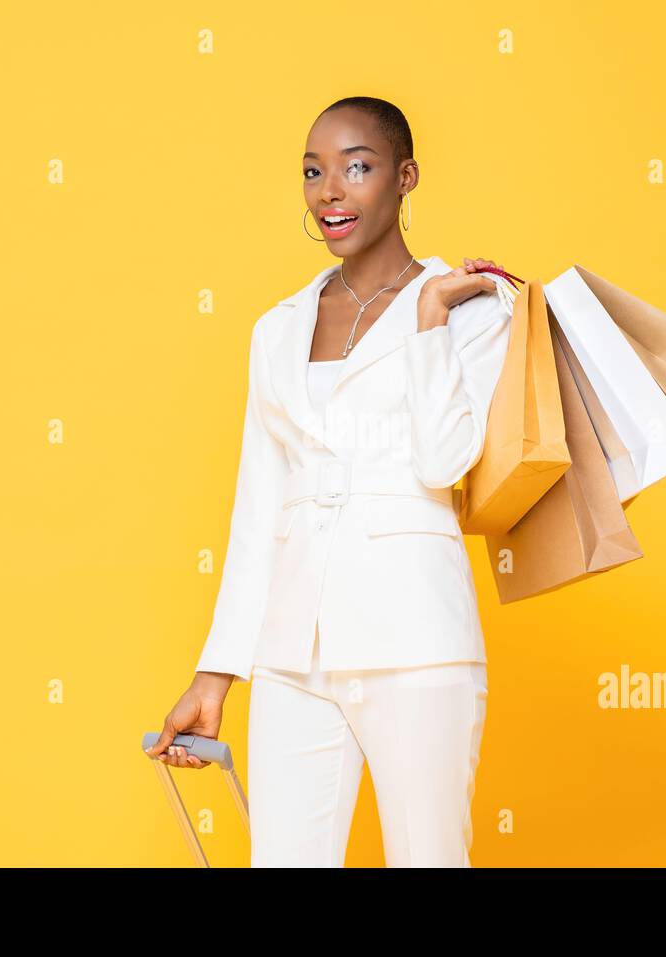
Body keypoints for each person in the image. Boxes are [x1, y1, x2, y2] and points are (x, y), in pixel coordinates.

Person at [146, 95, 513, 866]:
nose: (330, 192)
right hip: (294, 652)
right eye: (314, 172)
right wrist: (215, 676)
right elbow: (258, 508)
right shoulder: (277, 328)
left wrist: (429, 326)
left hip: (416, 644)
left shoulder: (471, 306)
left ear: (405, 176)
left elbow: (445, 462)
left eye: (358, 167)